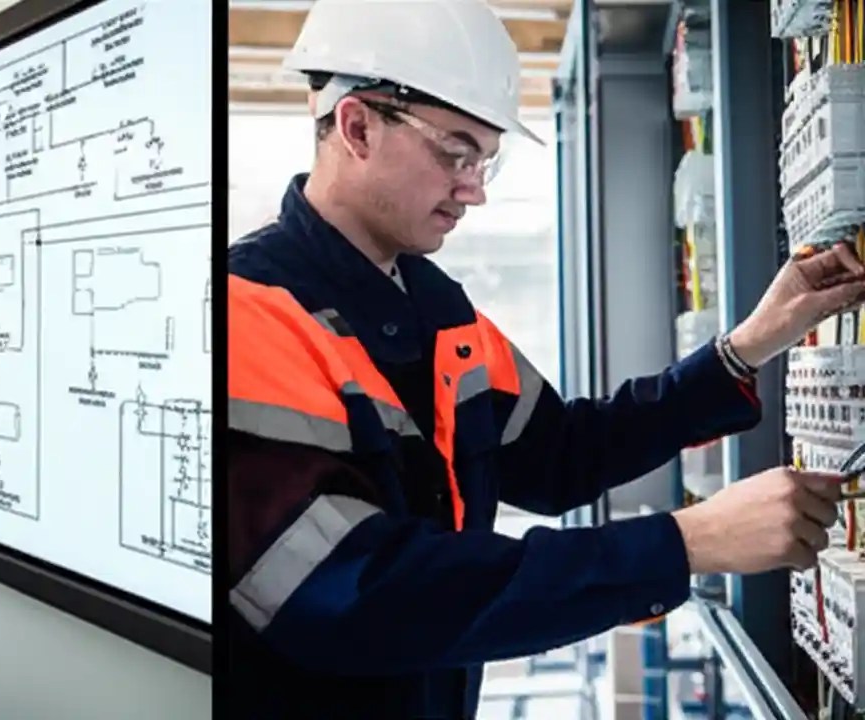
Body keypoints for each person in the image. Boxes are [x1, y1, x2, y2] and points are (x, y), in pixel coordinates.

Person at [225, 1, 865, 717]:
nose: (475, 189)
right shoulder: (246, 317)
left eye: (485, 160)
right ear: (357, 126)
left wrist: (746, 346)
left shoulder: (437, 311)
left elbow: (562, 454)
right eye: (457, 152)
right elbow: (358, 593)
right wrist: (686, 543)